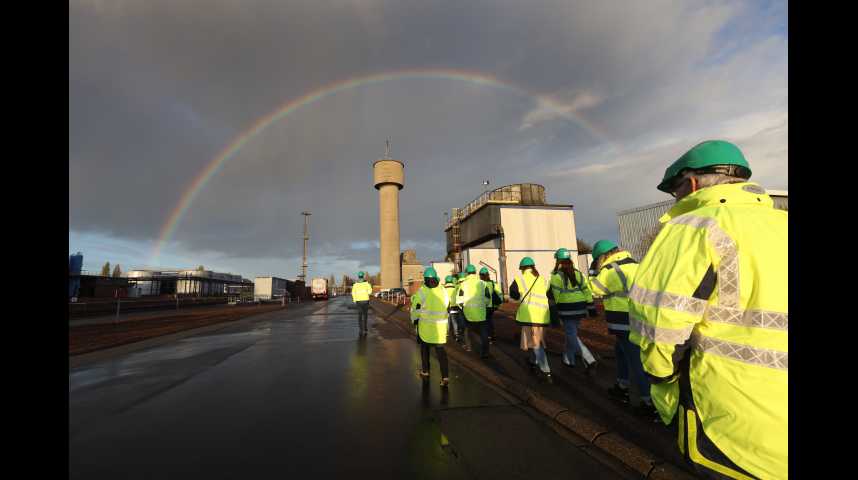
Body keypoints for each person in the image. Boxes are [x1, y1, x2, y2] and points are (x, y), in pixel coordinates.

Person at [628, 140, 787, 479]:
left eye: (676, 191)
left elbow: (661, 326)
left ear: (692, 182)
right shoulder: (782, 224)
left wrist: (661, 380)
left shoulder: (693, 228)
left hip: (731, 423)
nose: (676, 200)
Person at [590, 240, 655, 418]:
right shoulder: (637, 265)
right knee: (620, 351)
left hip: (623, 322)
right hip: (641, 319)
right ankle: (622, 385)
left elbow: (594, 290)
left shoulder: (609, 270)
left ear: (602, 257)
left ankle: (649, 402)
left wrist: (591, 275)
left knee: (635, 360)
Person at [548, 248, 597, 369]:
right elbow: (586, 290)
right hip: (580, 307)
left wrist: (555, 311)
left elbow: (556, 296)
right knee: (571, 333)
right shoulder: (578, 273)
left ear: (558, 261)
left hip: (566, 308)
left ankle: (589, 358)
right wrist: (591, 306)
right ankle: (568, 359)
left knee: (571, 335)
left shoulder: (556, 276)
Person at [508, 257, 552, 383]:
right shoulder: (543, 280)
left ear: (522, 268)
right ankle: (533, 362)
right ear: (533, 267)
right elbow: (549, 294)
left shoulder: (520, 279)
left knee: (536, 344)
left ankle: (546, 371)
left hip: (530, 316)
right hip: (542, 316)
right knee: (536, 342)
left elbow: (514, 294)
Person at [409, 268, 451, 387]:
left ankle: (426, 371)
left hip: (425, 329)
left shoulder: (422, 292)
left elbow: (416, 309)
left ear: (425, 279)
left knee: (424, 350)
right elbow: (448, 304)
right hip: (440, 329)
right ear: (436, 278)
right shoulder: (443, 291)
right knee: (441, 353)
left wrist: (414, 321)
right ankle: (445, 377)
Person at [456, 264, 492, 357]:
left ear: (467, 273)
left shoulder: (463, 284)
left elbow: (459, 300)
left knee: (468, 331)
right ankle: (485, 352)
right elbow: (488, 297)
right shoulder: (482, 283)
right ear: (475, 272)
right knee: (484, 333)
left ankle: (469, 347)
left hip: (468, 313)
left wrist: (464, 308)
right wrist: (484, 305)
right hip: (481, 313)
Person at [479, 267, 504, 343]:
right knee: (490, 321)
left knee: (484, 322)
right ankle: (491, 336)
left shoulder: (480, 284)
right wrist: (498, 304)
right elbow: (499, 293)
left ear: (480, 275)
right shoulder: (493, 283)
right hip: (491, 307)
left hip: (483, 306)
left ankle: (486, 337)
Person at [351, 271, 373, 336]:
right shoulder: (367, 284)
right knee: (365, 315)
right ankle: (365, 328)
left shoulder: (355, 285)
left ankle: (361, 329)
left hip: (358, 301)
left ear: (358, 276)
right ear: (363, 276)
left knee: (360, 315)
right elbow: (370, 292)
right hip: (365, 301)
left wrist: (355, 300)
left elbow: (353, 293)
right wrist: (365, 293)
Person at [443, 275, 460, 341]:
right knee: (455, 321)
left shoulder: (443, 289)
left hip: (447, 307)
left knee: (447, 321)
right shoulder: (455, 288)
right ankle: (456, 334)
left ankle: (447, 334)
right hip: (455, 307)